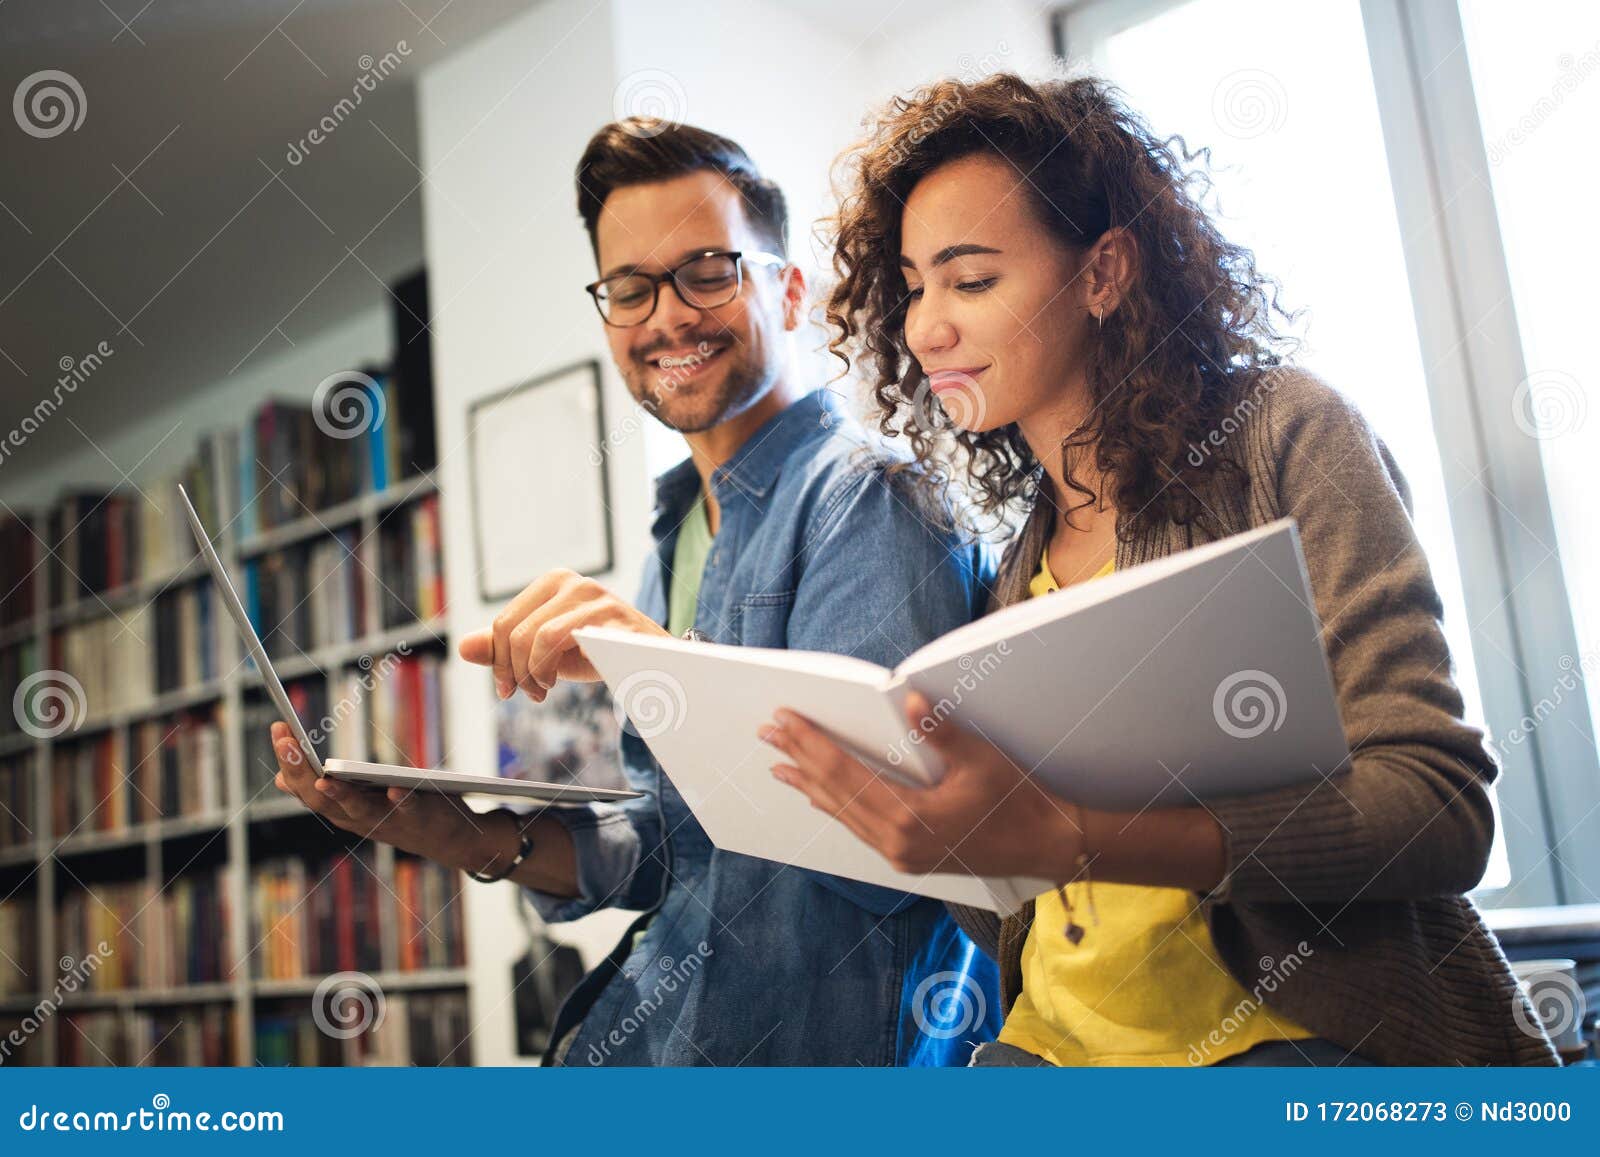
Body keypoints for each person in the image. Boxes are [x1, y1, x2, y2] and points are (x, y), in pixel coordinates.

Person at [759, 72, 1559, 1067]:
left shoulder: (1281, 435)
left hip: (1281, 1050)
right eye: (916, 286)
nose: (924, 328)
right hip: (1039, 1056)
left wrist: (1076, 835)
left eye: (969, 281)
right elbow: (1042, 916)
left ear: (1103, 273)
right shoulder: (1018, 567)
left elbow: (1437, 809)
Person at [268, 118, 1000, 1066]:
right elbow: (673, 843)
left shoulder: (873, 499)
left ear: (783, 289)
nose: (667, 316)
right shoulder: (678, 531)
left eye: (708, 270)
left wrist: (673, 671)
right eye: (629, 288)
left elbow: (891, 851)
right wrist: (461, 834)